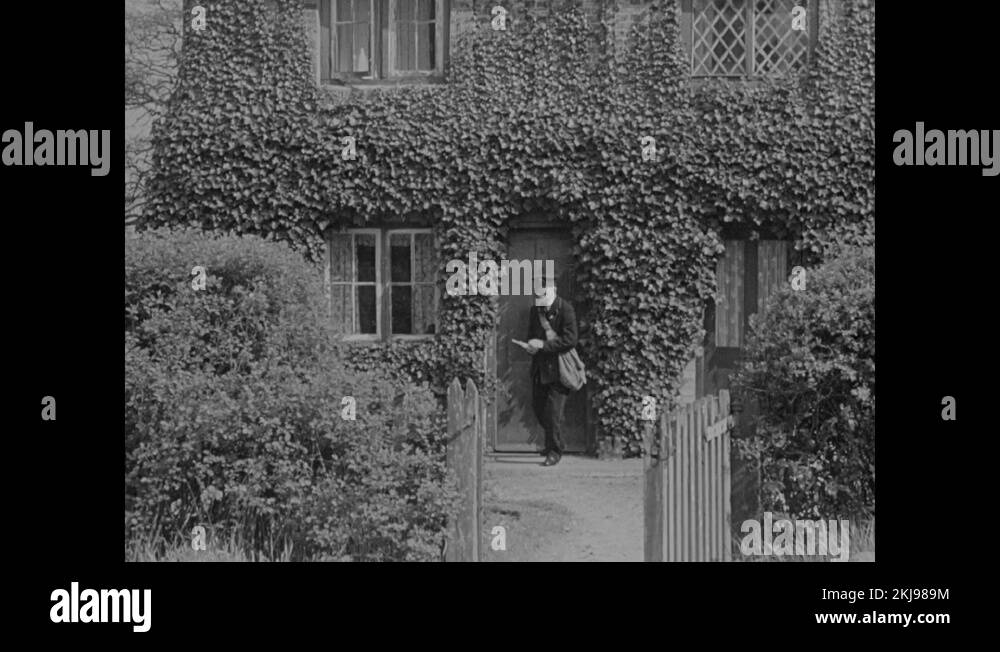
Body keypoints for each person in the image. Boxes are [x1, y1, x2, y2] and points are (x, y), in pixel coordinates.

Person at [524, 274, 578, 467]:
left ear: (553, 291)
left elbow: (570, 340)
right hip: (540, 369)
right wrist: (531, 345)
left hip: (559, 370)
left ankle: (554, 451)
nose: (540, 301)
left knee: (553, 413)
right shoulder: (534, 311)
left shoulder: (566, 309)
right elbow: (531, 334)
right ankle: (554, 443)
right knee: (539, 409)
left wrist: (543, 345)